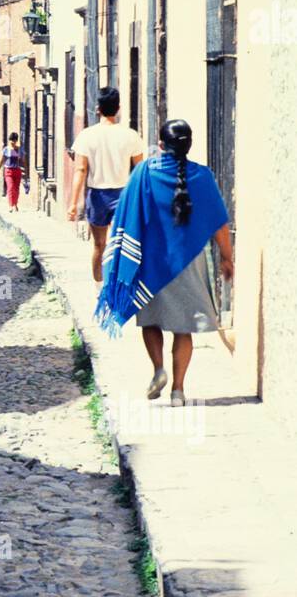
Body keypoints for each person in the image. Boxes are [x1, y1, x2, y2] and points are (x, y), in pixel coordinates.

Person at [96, 119, 234, 406]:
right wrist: (227, 256)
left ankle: (158, 369)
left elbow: (125, 214)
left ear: (161, 145)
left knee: (151, 321)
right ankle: (179, 390)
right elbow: (220, 222)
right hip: (189, 263)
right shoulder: (202, 176)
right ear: (189, 145)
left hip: (150, 262)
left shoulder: (144, 172)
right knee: (183, 328)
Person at [68, 86, 144, 283]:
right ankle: (120, 286)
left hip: (97, 195)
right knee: (123, 245)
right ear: (118, 108)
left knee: (99, 245)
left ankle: (99, 289)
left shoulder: (87, 135)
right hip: (123, 194)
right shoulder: (130, 135)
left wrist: (73, 203)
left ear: (97, 108)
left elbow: (81, 170)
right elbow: (139, 170)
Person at [0, 132, 23, 212]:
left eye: (14, 141)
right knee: (10, 187)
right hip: (8, 171)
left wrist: (26, 171)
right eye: (12, 141)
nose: (13, 143)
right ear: (9, 141)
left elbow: (23, 160)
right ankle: (11, 205)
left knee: (16, 189)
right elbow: (1, 160)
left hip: (17, 171)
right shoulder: (6, 150)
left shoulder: (19, 149)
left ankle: (15, 204)